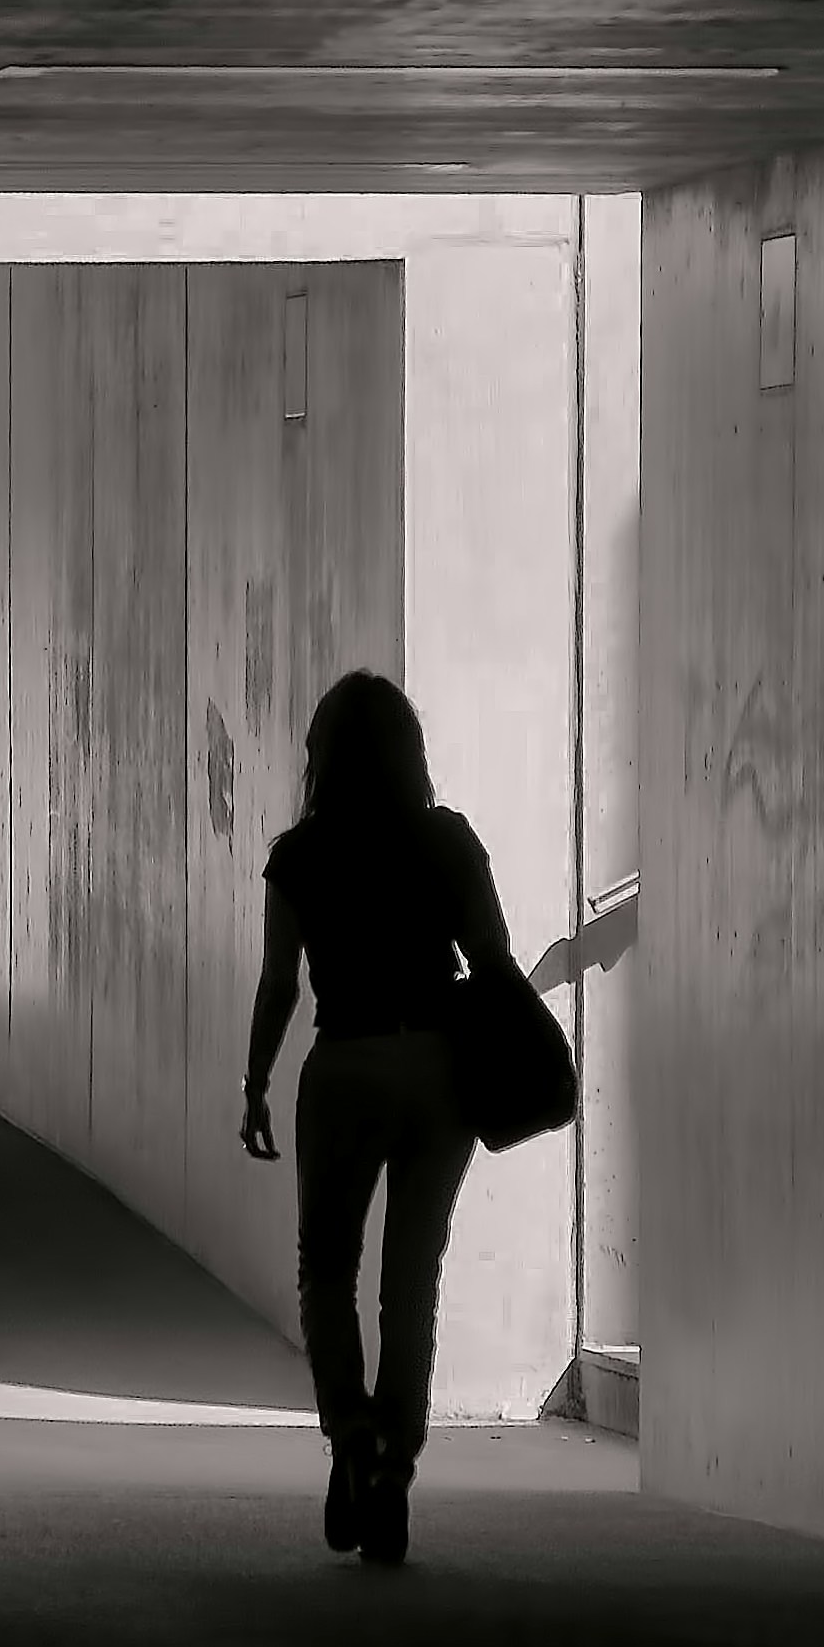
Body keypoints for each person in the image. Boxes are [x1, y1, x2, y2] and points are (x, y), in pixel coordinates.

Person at [235, 670, 520, 1566]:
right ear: (410, 751)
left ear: (321, 756)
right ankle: (395, 1463)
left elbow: (280, 983)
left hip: (345, 1066)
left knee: (326, 1267)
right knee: (411, 1277)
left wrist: (254, 1082)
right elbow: (492, 953)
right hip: (438, 1068)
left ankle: (350, 1434)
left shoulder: (298, 855)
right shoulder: (447, 839)